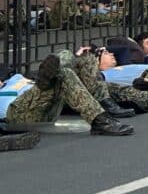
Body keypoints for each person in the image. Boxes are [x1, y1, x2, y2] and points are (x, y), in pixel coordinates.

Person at [2, 55, 133, 136]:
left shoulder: (16, 78)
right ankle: (100, 119)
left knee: (82, 60)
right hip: (17, 114)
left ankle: (50, 74)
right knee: (63, 74)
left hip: (44, 105)